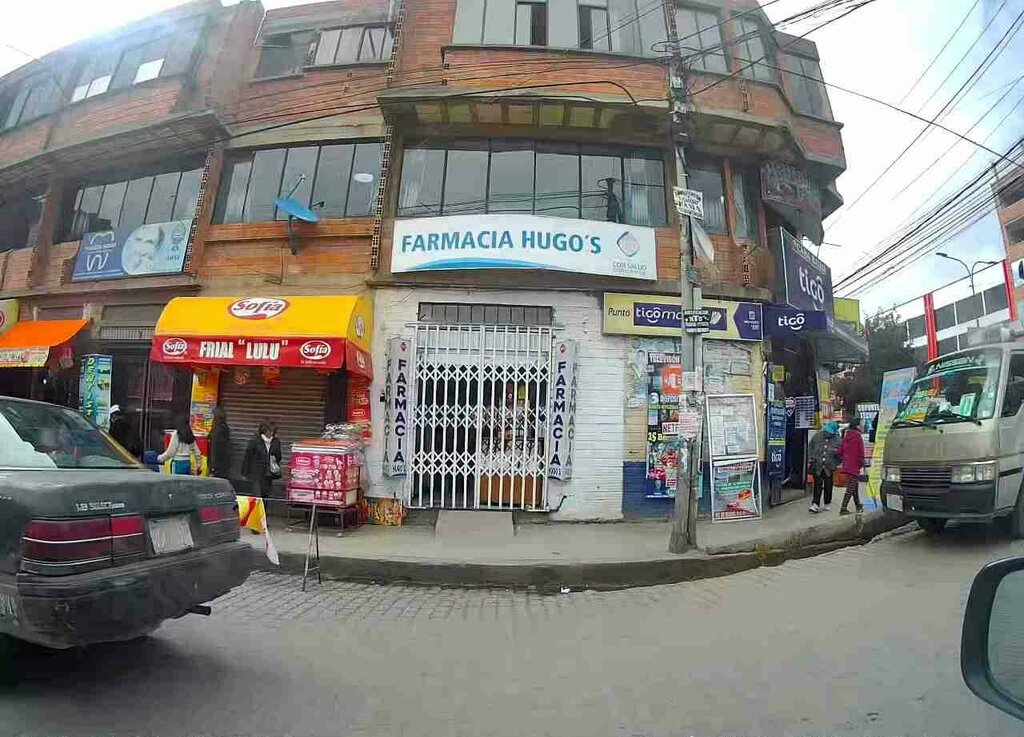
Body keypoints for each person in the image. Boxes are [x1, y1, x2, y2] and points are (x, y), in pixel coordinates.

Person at [241, 421, 282, 498]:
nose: (271, 433)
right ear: (264, 430)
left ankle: (264, 510)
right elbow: (248, 457)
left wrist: (273, 462)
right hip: (256, 473)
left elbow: (278, 456)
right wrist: (245, 472)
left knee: (266, 495)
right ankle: (257, 509)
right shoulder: (255, 441)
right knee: (257, 496)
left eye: (273, 431)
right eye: (269, 431)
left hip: (269, 474)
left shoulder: (276, 442)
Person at [807, 421, 841, 513]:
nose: (827, 434)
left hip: (829, 467)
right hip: (817, 465)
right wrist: (811, 457)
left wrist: (835, 463)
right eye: (826, 431)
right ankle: (815, 504)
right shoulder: (817, 436)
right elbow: (810, 447)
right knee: (817, 485)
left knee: (828, 485)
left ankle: (827, 503)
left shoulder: (838, 440)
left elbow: (840, 454)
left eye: (829, 433)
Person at [839, 417, 867, 515]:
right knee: (851, 488)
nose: (863, 426)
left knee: (854, 486)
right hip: (854, 465)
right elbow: (861, 451)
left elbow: (840, 450)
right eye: (861, 424)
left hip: (847, 464)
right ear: (857, 426)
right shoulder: (858, 436)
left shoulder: (847, 435)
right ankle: (843, 508)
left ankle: (858, 505)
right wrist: (863, 462)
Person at [208, 406, 232, 480]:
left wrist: (212, 466)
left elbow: (214, 448)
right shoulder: (225, 427)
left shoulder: (217, 430)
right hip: (224, 462)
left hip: (217, 463)